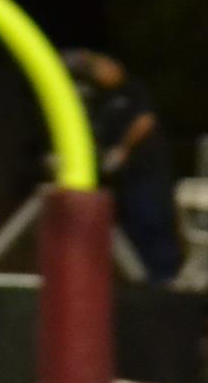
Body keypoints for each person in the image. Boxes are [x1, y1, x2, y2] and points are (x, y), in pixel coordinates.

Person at [67, 49, 182, 283]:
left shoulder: (133, 89)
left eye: (103, 67)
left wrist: (123, 149)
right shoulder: (100, 97)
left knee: (154, 220)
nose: (101, 72)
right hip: (125, 177)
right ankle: (145, 279)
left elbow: (145, 121)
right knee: (133, 226)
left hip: (148, 171)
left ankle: (167, 278)